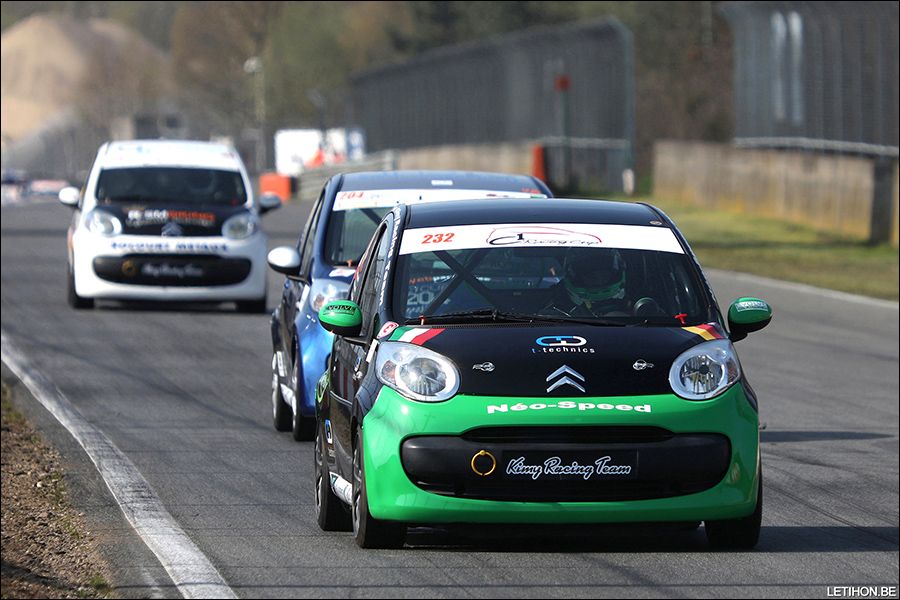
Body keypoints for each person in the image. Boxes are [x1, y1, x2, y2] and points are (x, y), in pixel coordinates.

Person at [542, 248, 630, 318]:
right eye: (591, 277)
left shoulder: (635, 303)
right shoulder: (554, 312)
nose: (599, 281)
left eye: (604, 275)